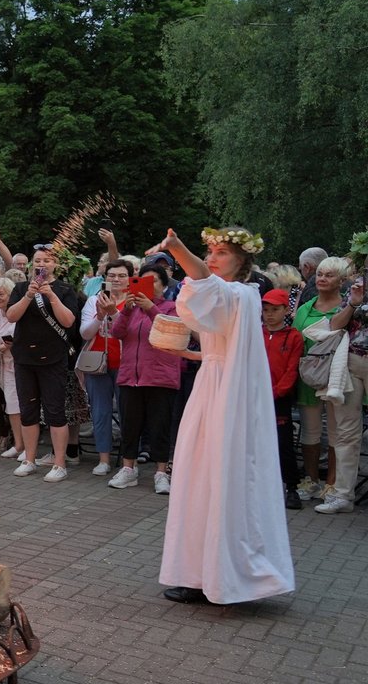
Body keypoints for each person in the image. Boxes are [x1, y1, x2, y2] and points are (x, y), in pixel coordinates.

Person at [148, 226, 294, 605]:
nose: (212, 258)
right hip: (211, 384)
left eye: (221, 253)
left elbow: (203, 282)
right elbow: (221, 342)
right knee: (198, 475)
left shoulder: (244, 293)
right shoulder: (229, 295)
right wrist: (195, 356)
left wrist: (176, 247)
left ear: (242, 261)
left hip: (231, 396)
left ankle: (232, 575)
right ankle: (196, 573)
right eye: (209, 251)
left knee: (225, 475)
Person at [4, 244, 79, 482]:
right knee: (28, 411)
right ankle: (30, 459)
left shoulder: (65, 289)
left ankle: (59, 463)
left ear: (55, 264)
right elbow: (11, 316)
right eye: (37, 260)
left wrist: (51, 296)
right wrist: (29, 295)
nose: (41, 264)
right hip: (25, 357)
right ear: (31, 264)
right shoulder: (20, 288)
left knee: (55, 410)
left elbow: (68, 322)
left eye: (47, 260)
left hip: (54, 358)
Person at [106, 265, 180, 494]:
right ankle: (129, 469)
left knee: (160, 427)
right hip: (130, 376)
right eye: (144, 281)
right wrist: (126, 311)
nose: (149, 285)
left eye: (155, 281)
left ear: (165, 286)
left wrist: (150, 309)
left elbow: (171, 332)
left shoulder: (172, 308)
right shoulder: (131, 310)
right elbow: (116, 333)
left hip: (160, 377)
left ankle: (161, 472)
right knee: (130, 425)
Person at [291, 256, 348, 501]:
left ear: (341, 281)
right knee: (310, 431)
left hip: (336, 376)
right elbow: (296, 342)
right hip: (308, 376)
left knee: (336, 432)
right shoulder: (305, 307)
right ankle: (311, 480)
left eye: (329, 275)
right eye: (321, 274)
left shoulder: (347, 308)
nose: (322, 278)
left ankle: (332, 483)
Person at [317, 267, 368, 514]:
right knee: (347, 430)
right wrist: (353, 303)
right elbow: (334, 325)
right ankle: (343, 495)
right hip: (351, 362)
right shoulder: (356, 287)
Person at [79, 259, 132, 476]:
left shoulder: (134, 301)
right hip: (98, 363)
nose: (116, 280)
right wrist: (100, 315)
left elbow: (130, 332)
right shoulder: (94, 300)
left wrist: (114, 313)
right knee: (100, 412)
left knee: (128, 413)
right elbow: (85, 333)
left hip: (127, 364)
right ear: (105, 278)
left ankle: (130, 462)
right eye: (111, 276)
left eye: (121, 276)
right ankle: (103, 459)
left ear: (130, 278)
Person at [260, 288, 304, 510]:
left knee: (283, 444)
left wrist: (277, 392)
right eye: (266, 310)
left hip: (278, 398)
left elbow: (291, 370)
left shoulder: (294, 336)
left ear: (286, 310)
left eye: (275, 310)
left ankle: (292, 488)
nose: (269, 314)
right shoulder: (256, 333)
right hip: (256, 396)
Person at [0, 278, 24, 460]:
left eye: (1, 294)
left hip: (24, 365)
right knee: (12, 406)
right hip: (6, 365)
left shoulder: (21, 311)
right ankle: (18, 445)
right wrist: (2, 348)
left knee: (27, 405)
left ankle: (29, 447)